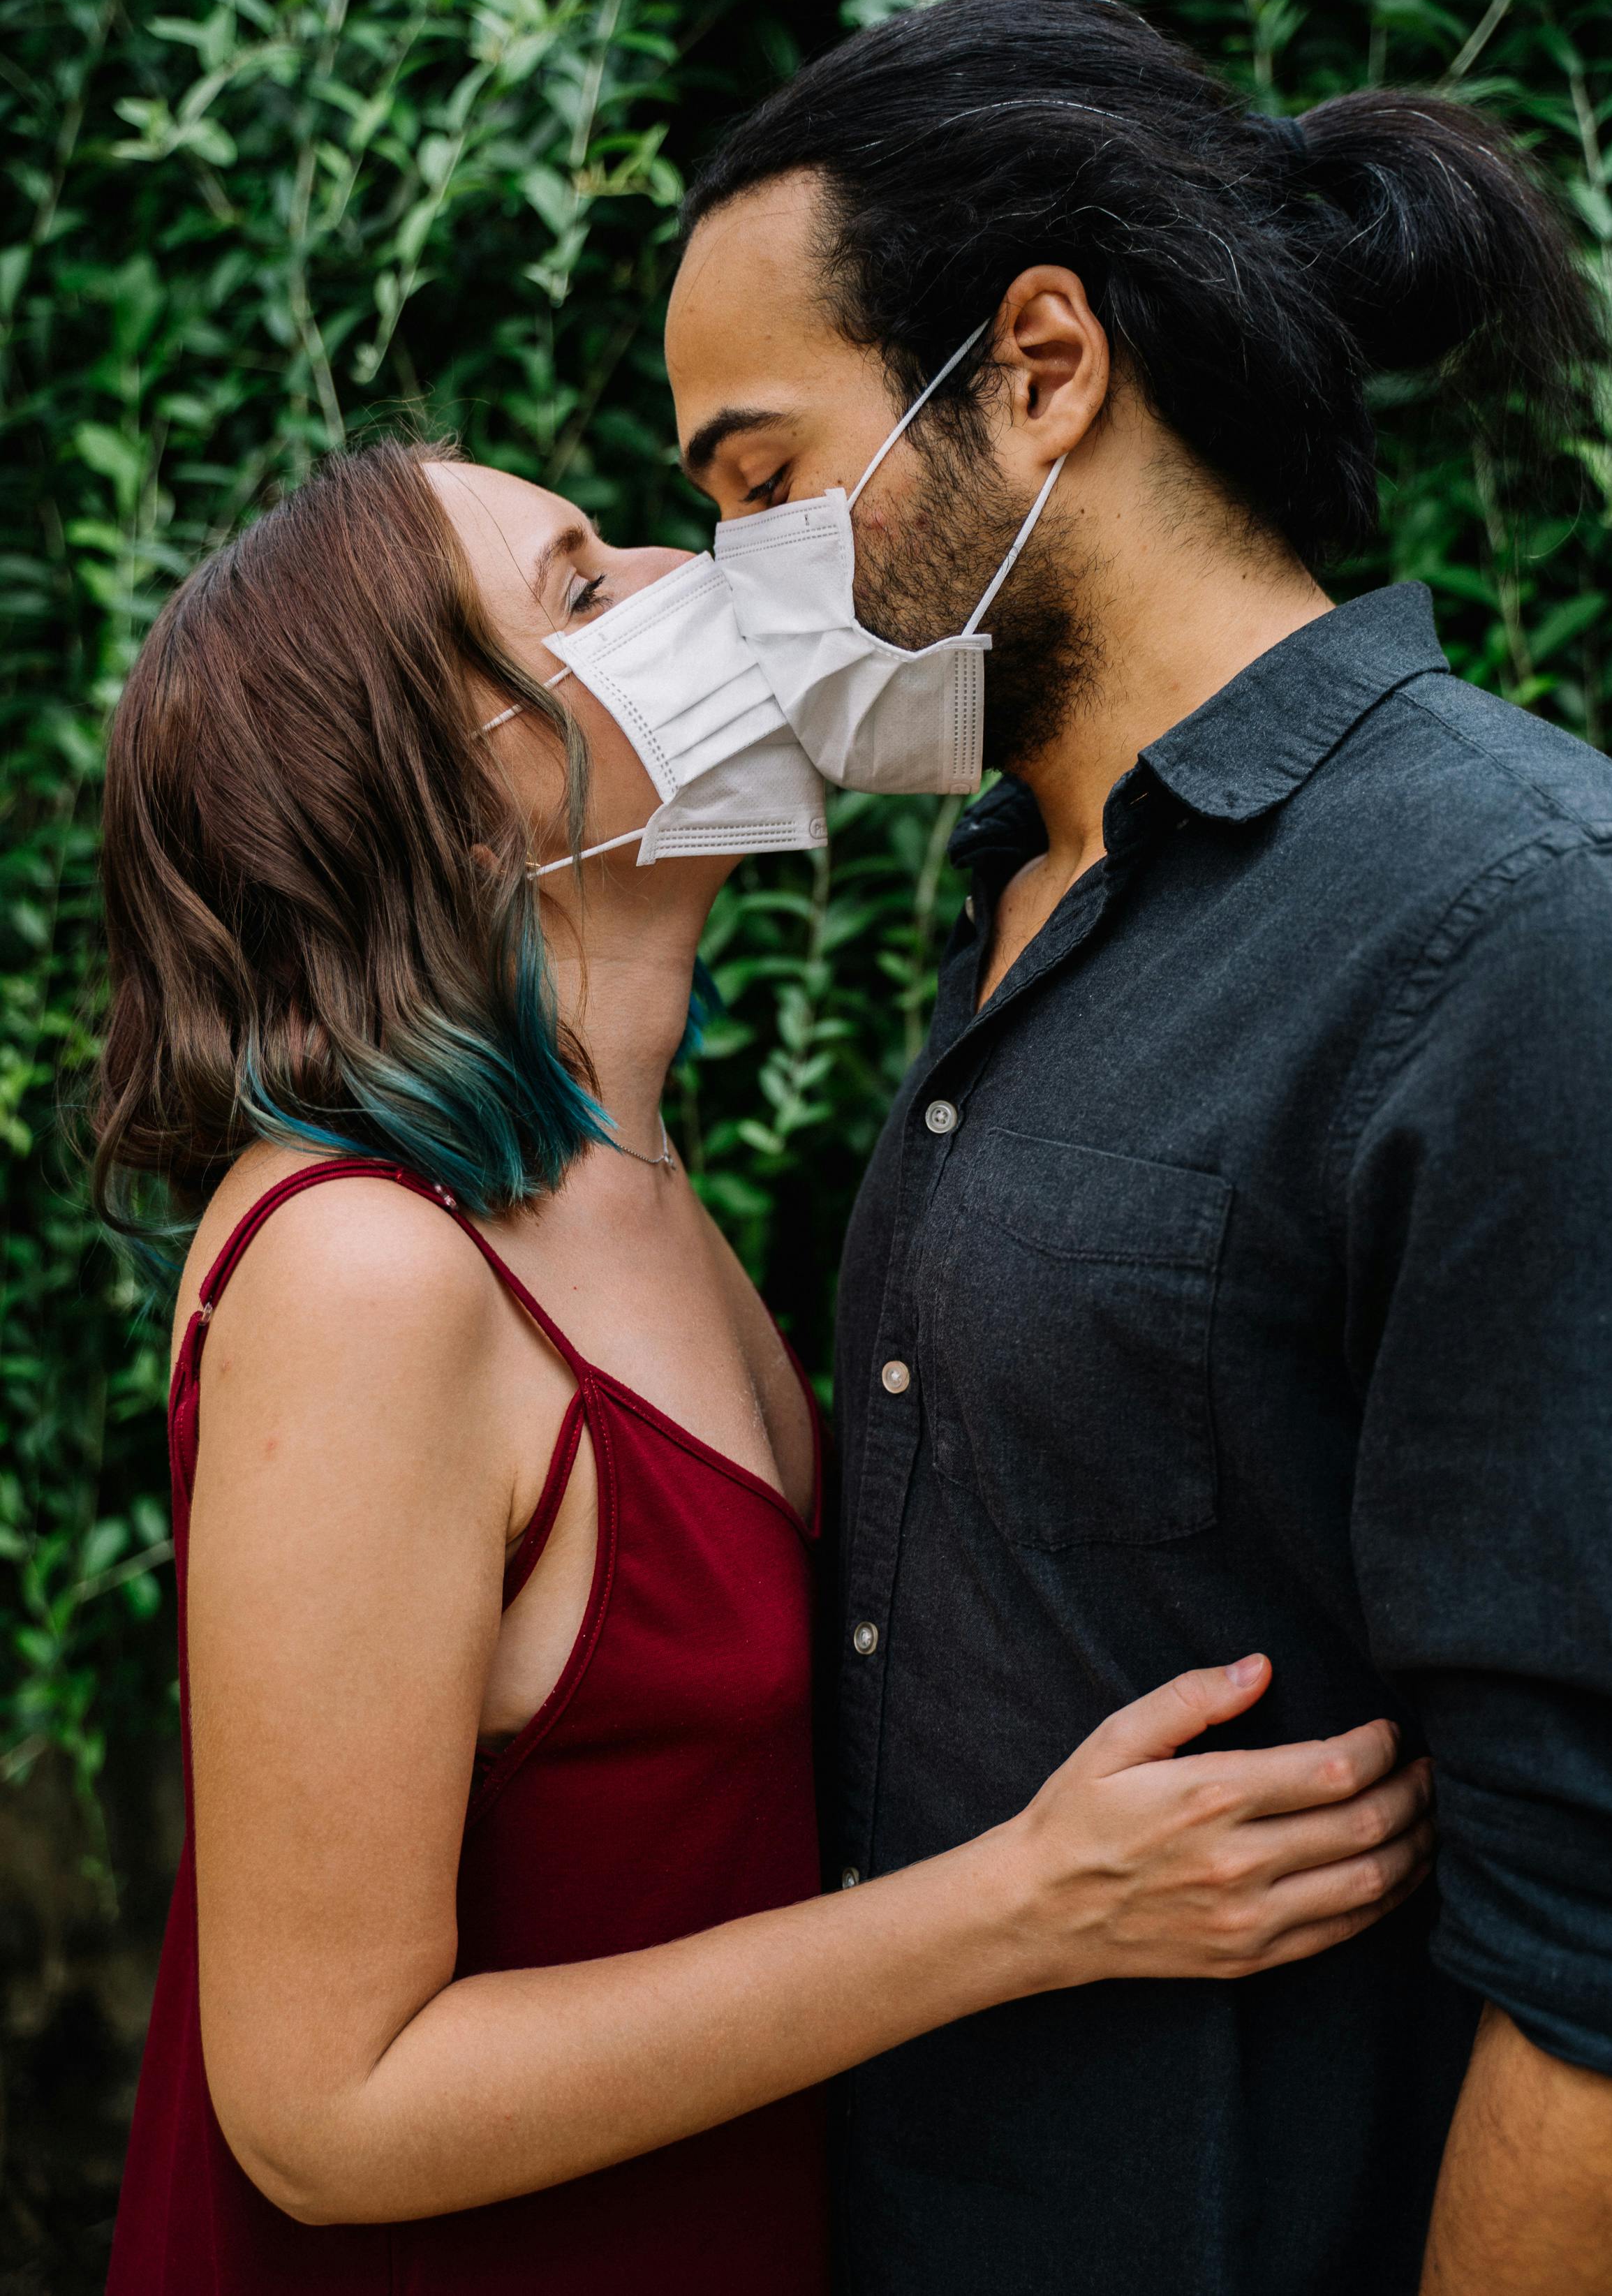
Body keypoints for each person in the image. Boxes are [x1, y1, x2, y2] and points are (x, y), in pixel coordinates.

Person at [98, 437, 1431, 2293]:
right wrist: (1027, 1908)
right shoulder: (364, 1271)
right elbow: (324, 2110)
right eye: (582, 586)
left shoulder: (624, 1182)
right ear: (457, 813)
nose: (690, 572)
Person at [665, 0, 1612, 2296]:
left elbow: (1601, 1953)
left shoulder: (1523, 923)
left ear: (1040, 367)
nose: (736, 575)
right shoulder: (1024, 891)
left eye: (763, 480)